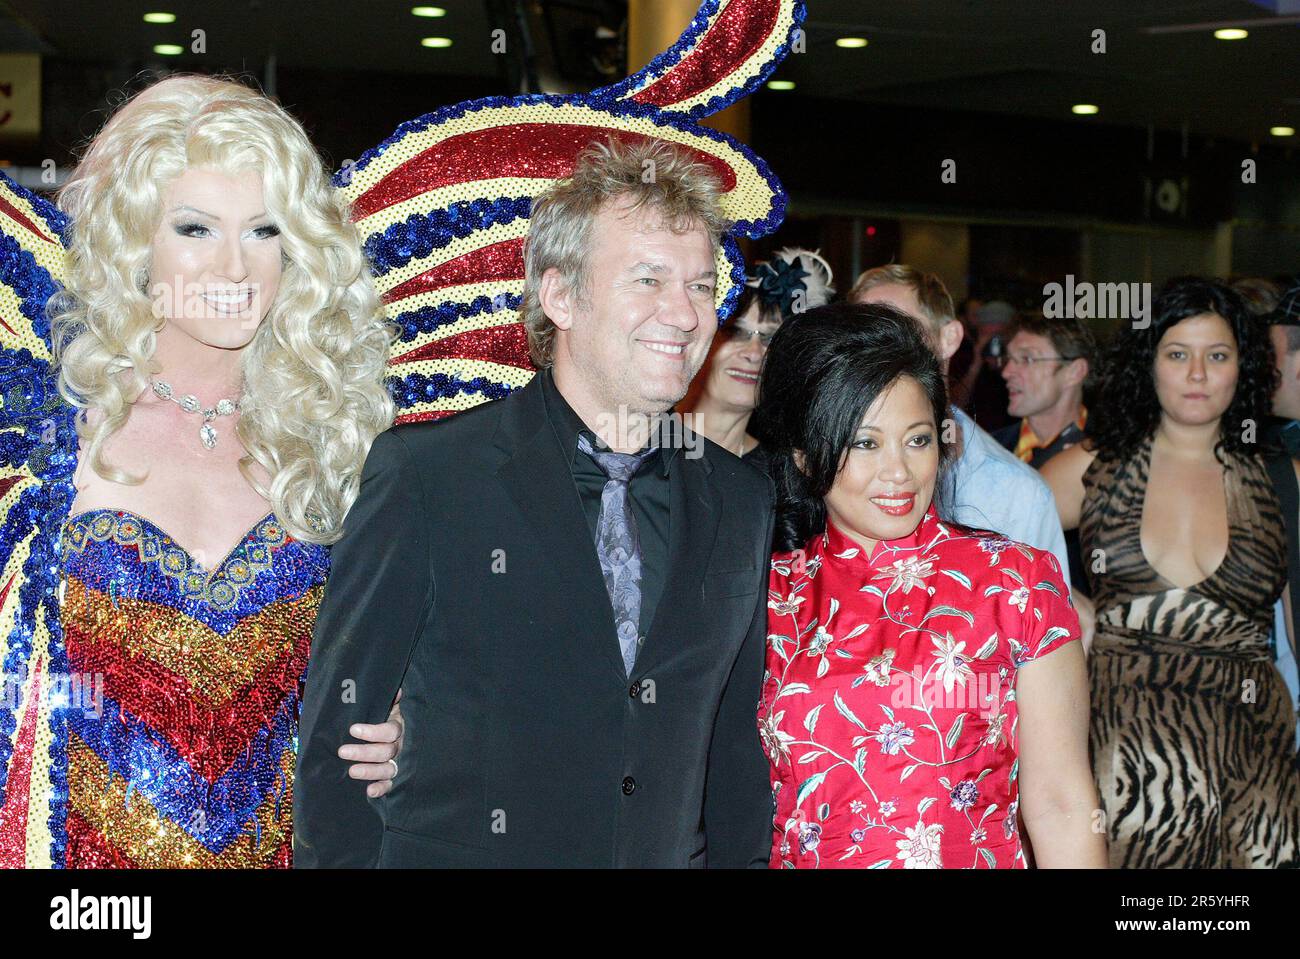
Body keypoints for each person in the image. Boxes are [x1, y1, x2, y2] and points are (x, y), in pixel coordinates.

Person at [295, 137, 775, 868]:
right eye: (648, 280)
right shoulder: (430, 476)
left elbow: (732, 751)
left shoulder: (739, 498)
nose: (684, 313)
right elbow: (339, 749)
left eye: (702, 286)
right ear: (559, 296)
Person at [0, 75, 403, 868]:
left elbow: (404, 668)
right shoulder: (49, 442)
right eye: (194, 227)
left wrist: (403, 727)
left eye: (263, 230)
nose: (234, 265)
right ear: (134, 243)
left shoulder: (342, 444)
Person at [755, 302, 1105, 868]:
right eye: (865, 443)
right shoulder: (768, 597)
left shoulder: (1015, 583)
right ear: (804, 453)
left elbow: (1063, 805)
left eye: (917, 440)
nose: (899, 472)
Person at [1041, 276, 1300, 868]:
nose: (1198, 375)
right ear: (1149, 363)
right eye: (1178, 355)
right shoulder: (1093, 467)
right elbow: (984, 537)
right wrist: (1061, 601)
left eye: (1218, 355)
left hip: (1254, 777)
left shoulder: (1284, 482)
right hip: (1123, 775)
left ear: (1244, 366)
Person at [847, 265, 1071, 584]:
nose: (878, 351)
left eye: (900, 331)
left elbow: (1043, 623)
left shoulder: (1016, 494)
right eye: (862, 337)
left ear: (949, 338)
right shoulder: (831, 470)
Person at [683, 247, 834, 470]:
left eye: (769, 339)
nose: (753, 353)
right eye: (737, 333)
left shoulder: (783, 476)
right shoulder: (642, 448)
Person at [992, 313, 1094, 597]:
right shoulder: (985, 451)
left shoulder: (1111, 453)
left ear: (1075, 371)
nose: (1007, 371)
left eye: (1027, 359)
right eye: (1008, 359)